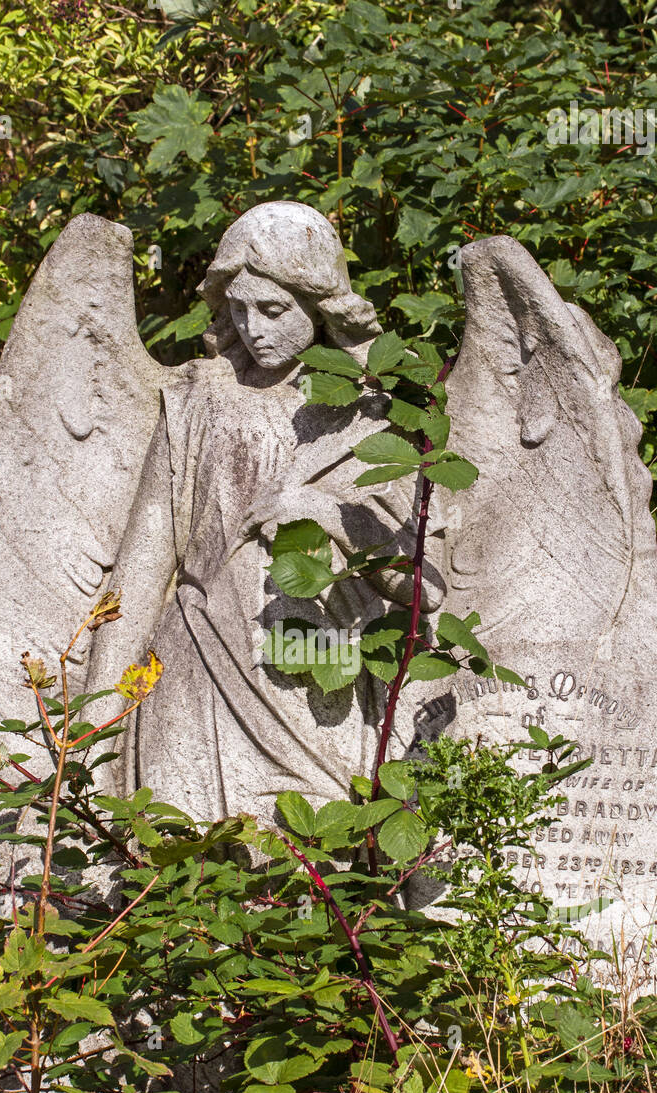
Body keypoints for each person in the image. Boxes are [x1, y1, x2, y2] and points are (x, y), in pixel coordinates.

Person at [86, 201, 446, 823]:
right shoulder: (198, 399)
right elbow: (141, 575)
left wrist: (325, 514)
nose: (253, 327)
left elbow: (421, 588)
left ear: (321, 304)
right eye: (238, 308)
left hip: (316, 670)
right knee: (179, 876)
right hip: (192, 665)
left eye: (274, 309)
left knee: (313, 870)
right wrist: (93, 734)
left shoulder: (372, 416)